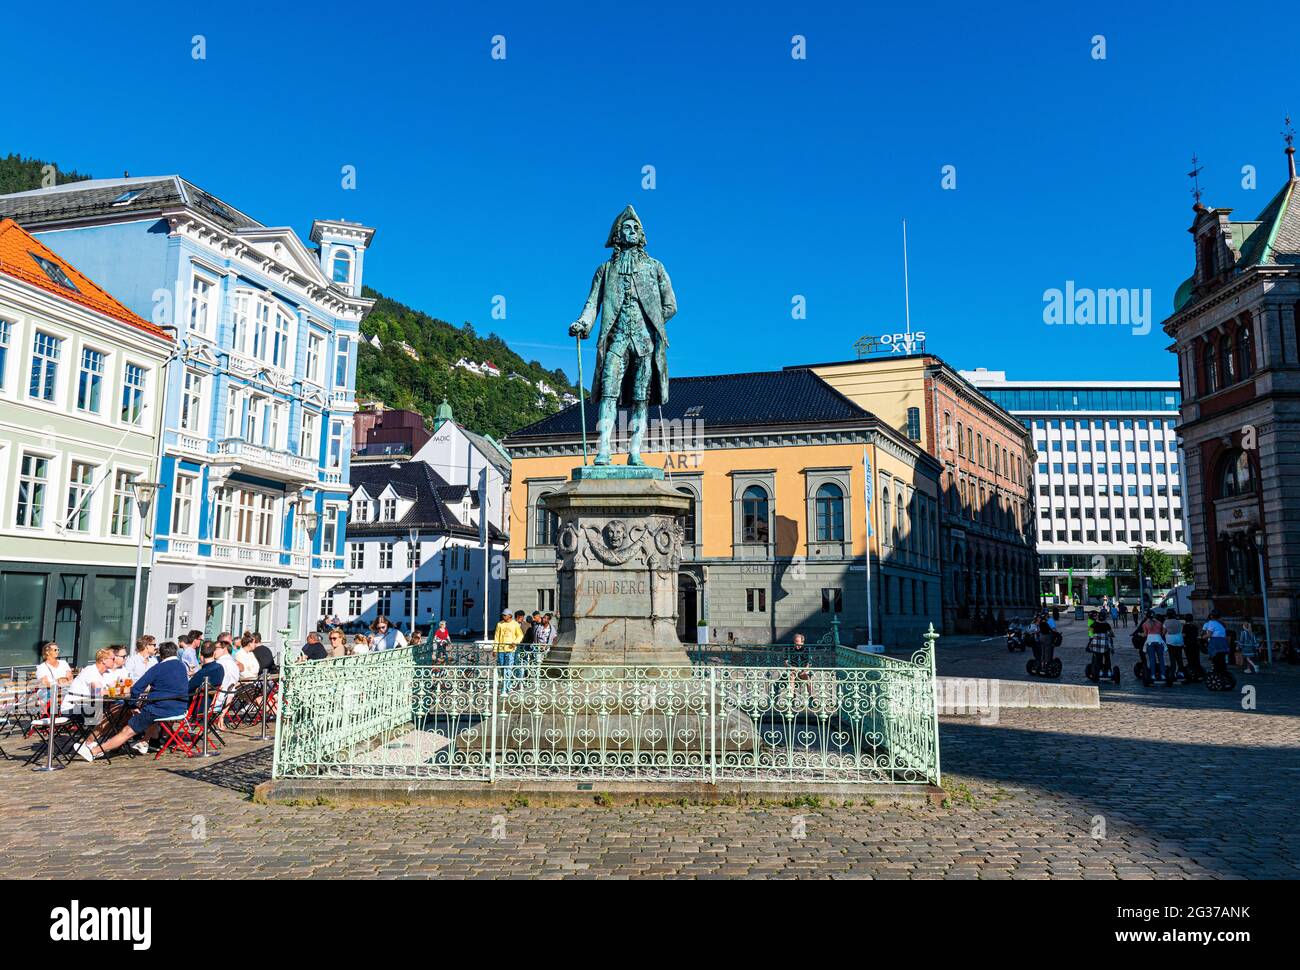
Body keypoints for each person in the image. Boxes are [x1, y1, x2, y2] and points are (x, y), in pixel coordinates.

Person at [77, 641, 189, 761]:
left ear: (161, 655)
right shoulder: (182, 666)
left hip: (160, 709)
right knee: (142, 715)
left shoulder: (158, 668)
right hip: (180, 708)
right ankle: (143, 742)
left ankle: (94, 751)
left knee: (127, 730)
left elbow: (136, 689)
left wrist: (132, 705)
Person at [188, 641, 225, 719]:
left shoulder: (202, 673)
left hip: (197, 707)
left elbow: (187, 688)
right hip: (210, 705)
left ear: (201, 655)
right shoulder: (220, 668)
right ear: (214, 652)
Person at [493, 609, 523, 694]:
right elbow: (496, 637)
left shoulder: (515, 624)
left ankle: (507, 687)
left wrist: (515, 642)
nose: (503, 616)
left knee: (508, 668)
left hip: (511, 650)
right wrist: (495, 649)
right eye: (503, 615)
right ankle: (504, 684)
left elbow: (520, 635)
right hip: (501, 649)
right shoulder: (500, 624)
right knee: (502, 668)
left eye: (505, 615)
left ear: (510, 615)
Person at [784, 632, 815, 705]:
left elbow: (809, 662)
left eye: (798, 643)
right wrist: (792, 667)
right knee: (791, 676)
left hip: (803, 670)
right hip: (793, 669)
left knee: (808, 678)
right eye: (795, 643)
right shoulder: (789, 648)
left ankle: (811, 699)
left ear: (802, 642)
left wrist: (805, 670)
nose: (796, 645)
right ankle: (791, 698)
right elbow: (785, 662)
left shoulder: (807, 648)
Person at [1139, 612, 1166, 686]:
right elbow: (1163, 632)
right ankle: (1163, 675)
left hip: (1150, 641)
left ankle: (1153, 675)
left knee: (1152, 659)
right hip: (1159, 640)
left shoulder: (1145, 624)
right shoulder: (1159, 623)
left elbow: (1145, 634)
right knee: (1161, 658)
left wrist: (1139, 634)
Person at [1202, 611, 1230, 680]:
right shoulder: (1221, 623)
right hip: (1223, 642)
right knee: (1221, 659)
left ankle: (1216, 672)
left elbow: (1209, 635)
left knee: (1215, 658)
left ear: (1211, 616)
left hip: (1216, 642)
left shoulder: (1212, 623)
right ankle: (1223, 672)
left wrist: (1202, 637)